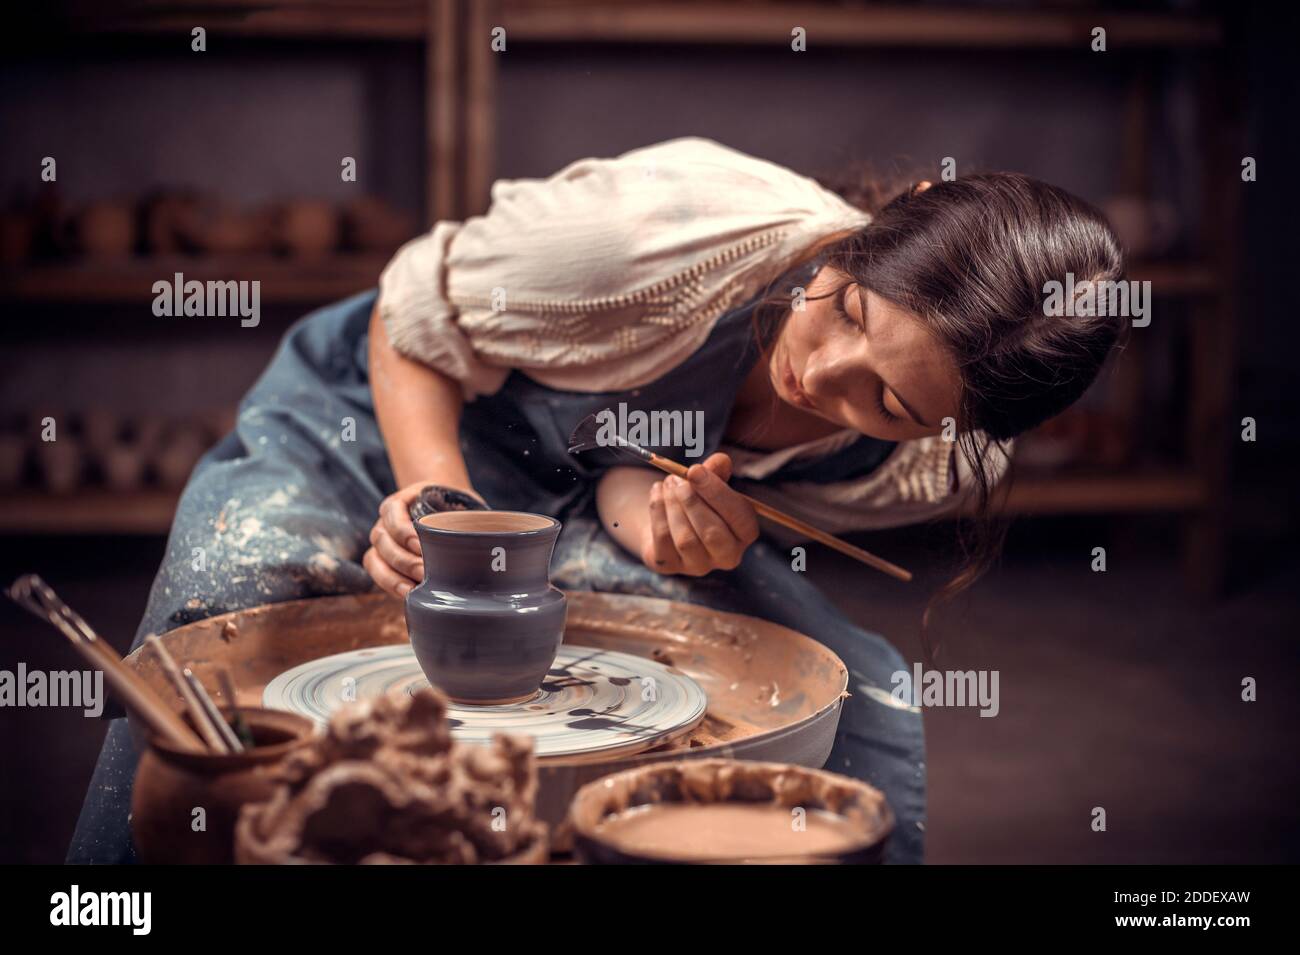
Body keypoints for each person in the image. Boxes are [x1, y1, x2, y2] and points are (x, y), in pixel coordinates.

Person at [69, 137, 1124, 864]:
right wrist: (431, 489)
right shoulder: (649, 237)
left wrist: (664, 537)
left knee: (857, 697)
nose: (824, 374)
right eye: (845, 307)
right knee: (241, 595)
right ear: (876, 232)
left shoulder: (928, 465)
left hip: (580, 477)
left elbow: (622, 467)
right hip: (399, 402)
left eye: (885, 399)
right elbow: (408, 315)